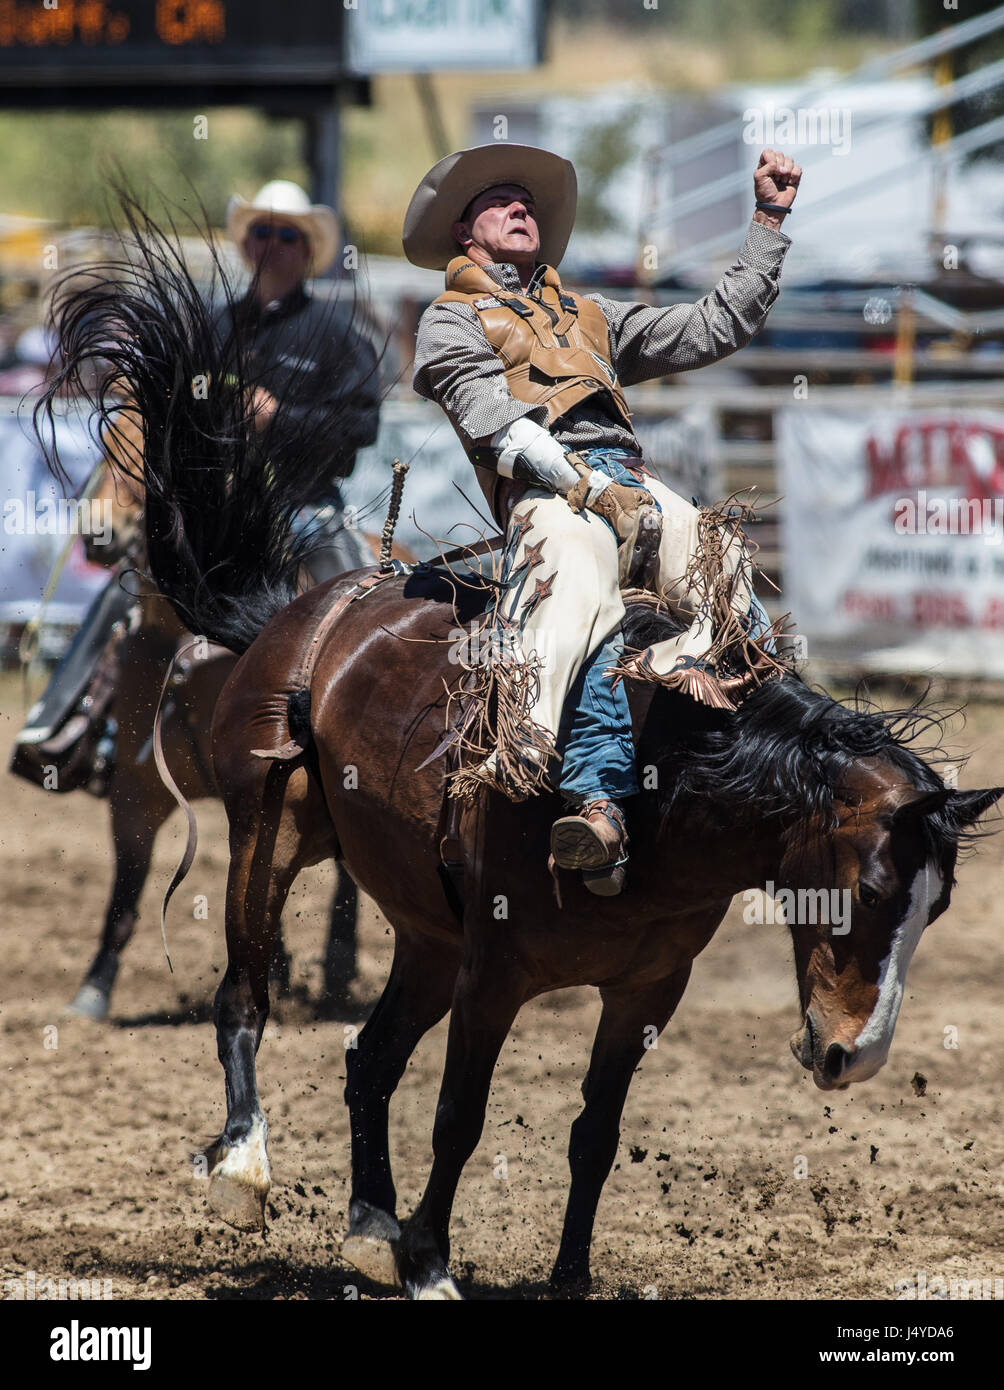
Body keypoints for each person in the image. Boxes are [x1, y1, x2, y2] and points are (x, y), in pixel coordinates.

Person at [404, 142, 800, 895]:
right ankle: (577, 786)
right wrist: (586, 488)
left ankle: (771, 755)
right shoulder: (448, 319)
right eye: (501, 202)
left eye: (527, 202)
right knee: (579, 586)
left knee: (726, 566)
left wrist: (767, 219)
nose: (522, 209)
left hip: (635, 487)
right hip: (546, 498)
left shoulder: (591, 314)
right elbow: (493, 423)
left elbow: (713, 326)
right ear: (463, 233)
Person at [220, 179, 382, 580]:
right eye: (262, 231)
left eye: (288, 235)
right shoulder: (216, 327)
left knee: (347, 602)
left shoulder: (338, 335)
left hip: (305, 503)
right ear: (245, 244)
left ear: (307, 251)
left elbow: (361, 424)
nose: (273, 243)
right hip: (215, 504)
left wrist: (279, 417)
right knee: (136, 589)